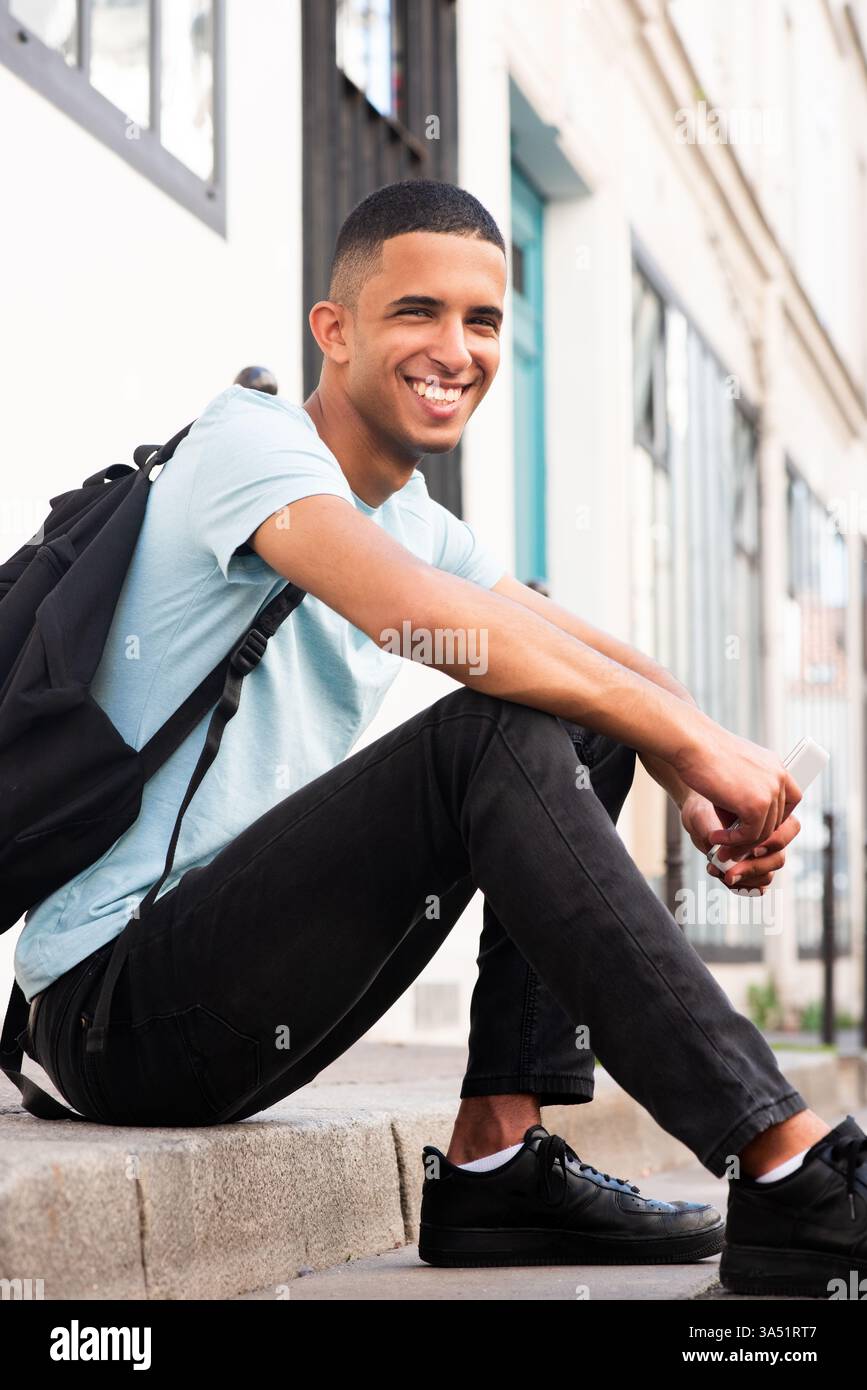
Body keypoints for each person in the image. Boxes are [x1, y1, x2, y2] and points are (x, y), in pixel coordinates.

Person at [16, 180, 865, 1292]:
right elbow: (424, 620)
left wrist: (691, 749)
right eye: (417, 311)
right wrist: (684, 741)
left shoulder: (416, 521)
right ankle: (787, 1164)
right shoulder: (247, 442)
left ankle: (498, 1160)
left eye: (483, 320)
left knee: (572, 704)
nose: (454, 349)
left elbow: (590, 658)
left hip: (232, 987)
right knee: (491, 720)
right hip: (106, 1010)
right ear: (336, 330)